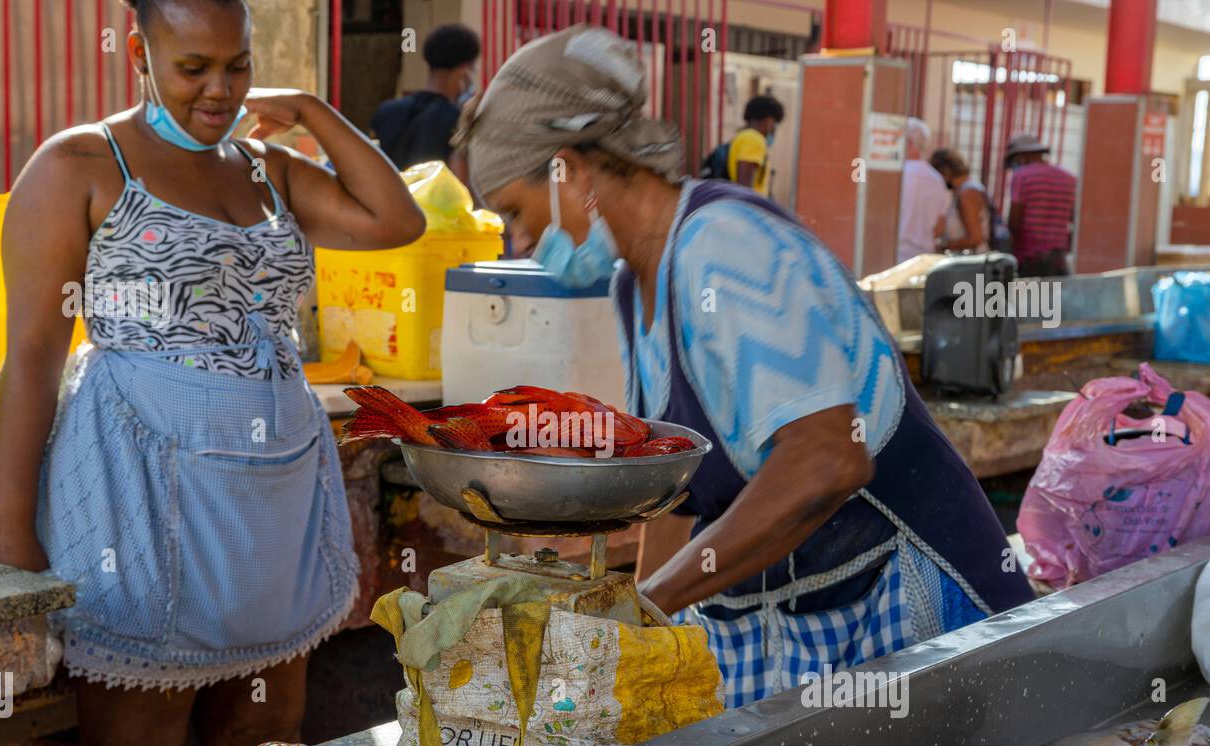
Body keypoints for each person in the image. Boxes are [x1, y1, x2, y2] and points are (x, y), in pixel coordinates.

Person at [453, 26, 1033, 709]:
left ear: (568, 171)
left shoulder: (724, 245)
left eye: (516, 214)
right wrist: (641, 635)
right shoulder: (632, 283)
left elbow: (827, 461)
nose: (520, 241)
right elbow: (676, 497)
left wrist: (653, 602)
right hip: (800, 625)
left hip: (906, 612)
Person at [0, 0, 424, 746]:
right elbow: (34, 353)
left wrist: (318, 114)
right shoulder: (81, 164)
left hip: (271, 487)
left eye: (238, 66)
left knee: (263, 742)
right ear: (139, 53)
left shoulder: (268, 169)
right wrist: (9, 528)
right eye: (193, 69)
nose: (219, 90)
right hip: (137, 488)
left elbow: (397, 220)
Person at [371, 24, 480, 183]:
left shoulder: (386, 111)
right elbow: (462, 186)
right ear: (463, 70)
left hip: (386, 203)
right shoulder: (456, 120)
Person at [1005, 132, 1076, 277]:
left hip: (1030, 256)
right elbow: (1074, 217)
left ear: (1021, 156)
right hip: (1059, 256)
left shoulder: (1022, 176)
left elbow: (1014, 222)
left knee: (1031, 299)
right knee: (1055, 298)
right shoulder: (1069, 178)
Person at [896, 117, 949, 263]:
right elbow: (940, 226)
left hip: (897, 256)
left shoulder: (897, 176)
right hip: (924, 259)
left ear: (908, 142)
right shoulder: (937, 179)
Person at [929, 148, 990, 254]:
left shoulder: (967, 193)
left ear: (944, 173)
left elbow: (975, 239)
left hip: (974, 265)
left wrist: (943, 246)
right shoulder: (964, 190)